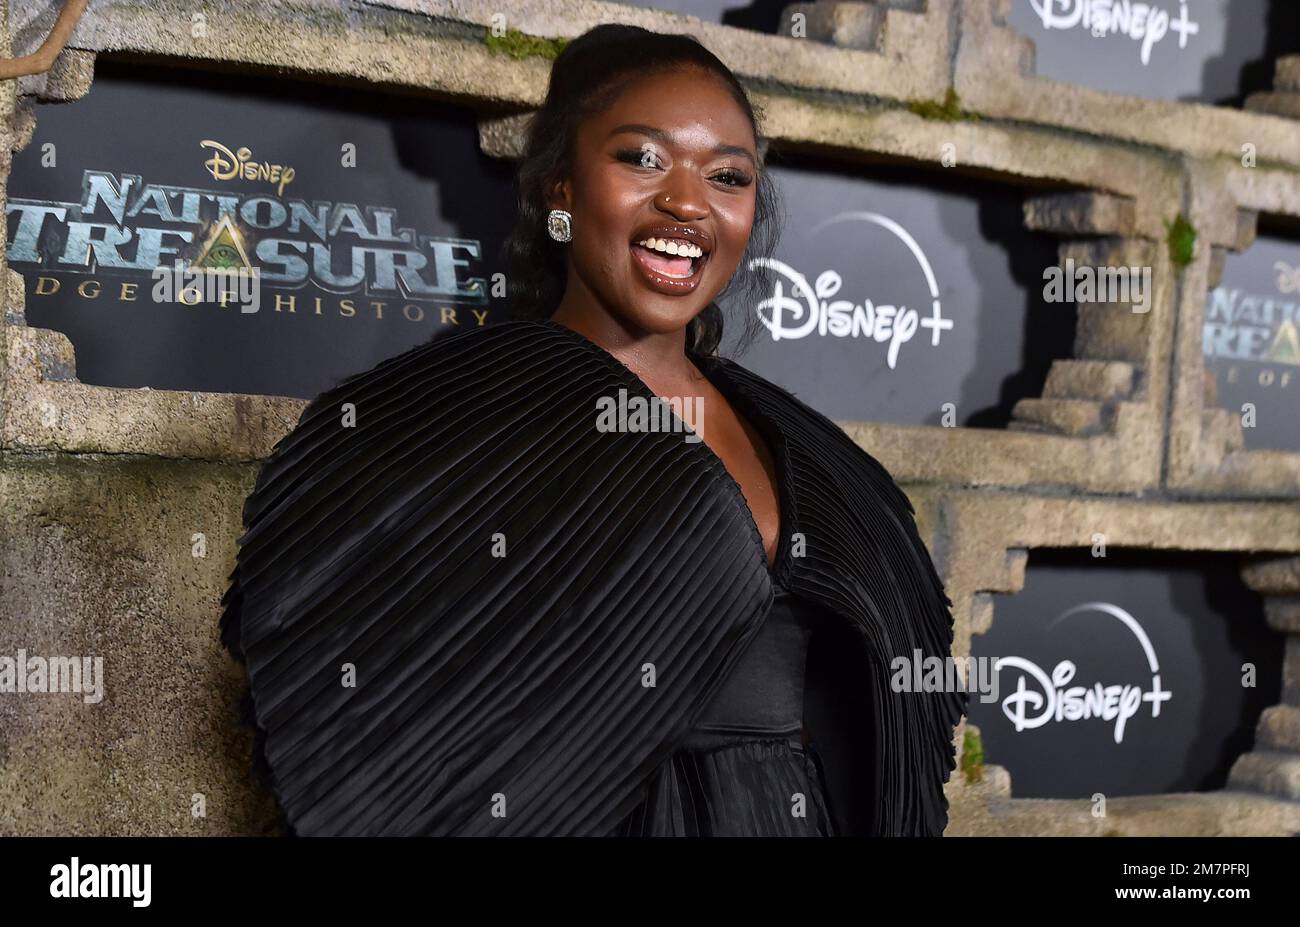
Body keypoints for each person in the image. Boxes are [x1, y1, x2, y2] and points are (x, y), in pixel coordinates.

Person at [220, 23, 966, 837]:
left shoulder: (802, 444)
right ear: (561, 190)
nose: (687, 201)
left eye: (726, 175)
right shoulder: (464, 410)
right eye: (642, 158)